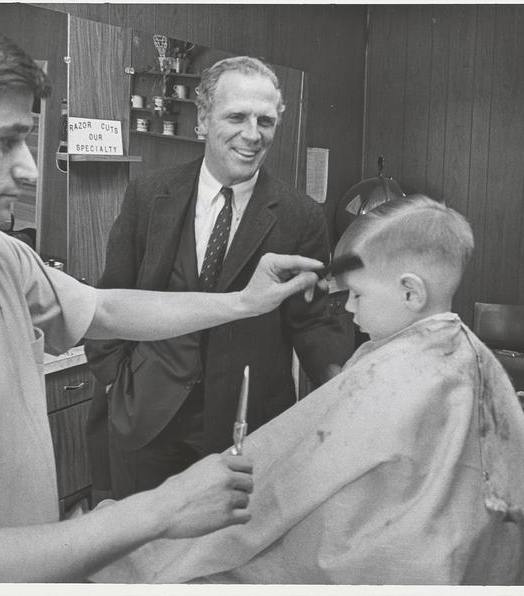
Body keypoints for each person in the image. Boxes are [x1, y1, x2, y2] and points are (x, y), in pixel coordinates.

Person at [0, 6, 328, 583]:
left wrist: (244, 304)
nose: (30, 167)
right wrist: (161, 508)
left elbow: (105, 307)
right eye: (8, 141)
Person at [90, 195, 524, 584]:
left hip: (379, 564)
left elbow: (286, 481)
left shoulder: (393, 375)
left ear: (410, 293)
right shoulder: (471, 356)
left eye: (357, 294)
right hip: (456, 558)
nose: (348, 307)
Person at [84, 56, 354, 499]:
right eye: (237, 117)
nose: (253, 134)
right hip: (146, 417)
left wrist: (344, 382)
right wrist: (115, 378)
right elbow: (113, 291)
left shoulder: (299, 215)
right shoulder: (150, 195)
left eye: (265, 120)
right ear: (203, 120)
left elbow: (312, 322)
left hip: (245, 426)